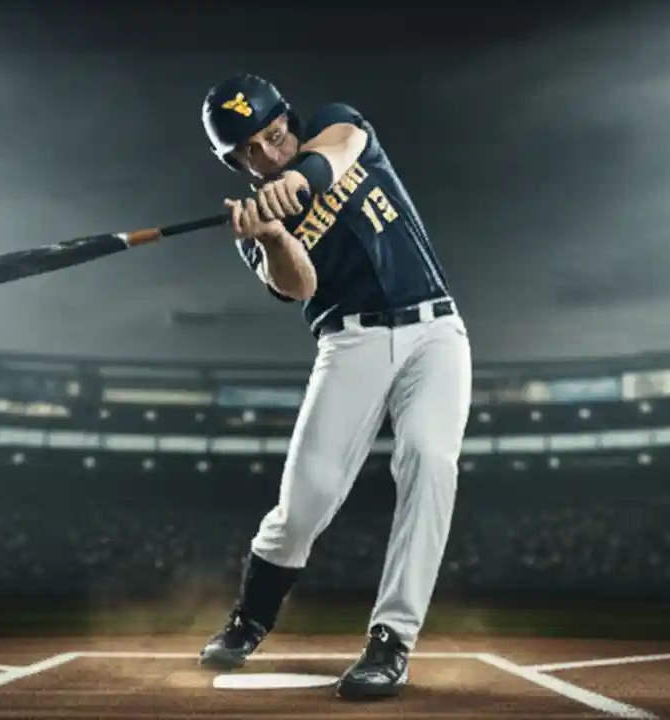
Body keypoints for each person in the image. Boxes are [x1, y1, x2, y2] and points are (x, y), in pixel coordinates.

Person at [196, 73, 472, 700]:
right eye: (251, 152)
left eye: (274, 135)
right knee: (306, 500)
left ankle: (391, 640)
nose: (269, 154)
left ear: (289, 119)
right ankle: (250, 620)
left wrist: (303, 179)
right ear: (234, 162)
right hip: (350, 344)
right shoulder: (255, 227)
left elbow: (343, 146)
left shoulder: (337, 125)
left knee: (430, 460)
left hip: (435, 330)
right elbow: (299, 287)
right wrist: (271, 236)